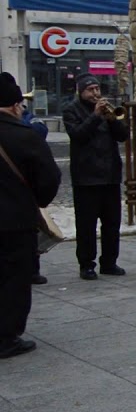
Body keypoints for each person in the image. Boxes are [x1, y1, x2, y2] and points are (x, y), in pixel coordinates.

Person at [0, 73, 60, 357]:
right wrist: (35, 201)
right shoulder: (25, 136)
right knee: (15, 279)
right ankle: (7, 337)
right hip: (16, 222)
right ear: (13, 106)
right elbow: (49, 177)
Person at [62, 73, 128, 280]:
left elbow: (122, 136)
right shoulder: (71, 111)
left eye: (97, 89)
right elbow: (78, 135)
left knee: (111, 223)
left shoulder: (107, 110)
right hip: (86, 178)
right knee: (86, 225)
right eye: (90, 90)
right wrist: (96, 116)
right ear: (80, 92)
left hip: (109, 176)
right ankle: (86, 264)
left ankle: (109, 262)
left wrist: (113, 120)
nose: (95, 93)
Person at [20, 91, 50, 286]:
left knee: (30, 230)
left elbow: (40, 130)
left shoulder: (26, 117)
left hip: (27, 187)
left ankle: (33, 270)